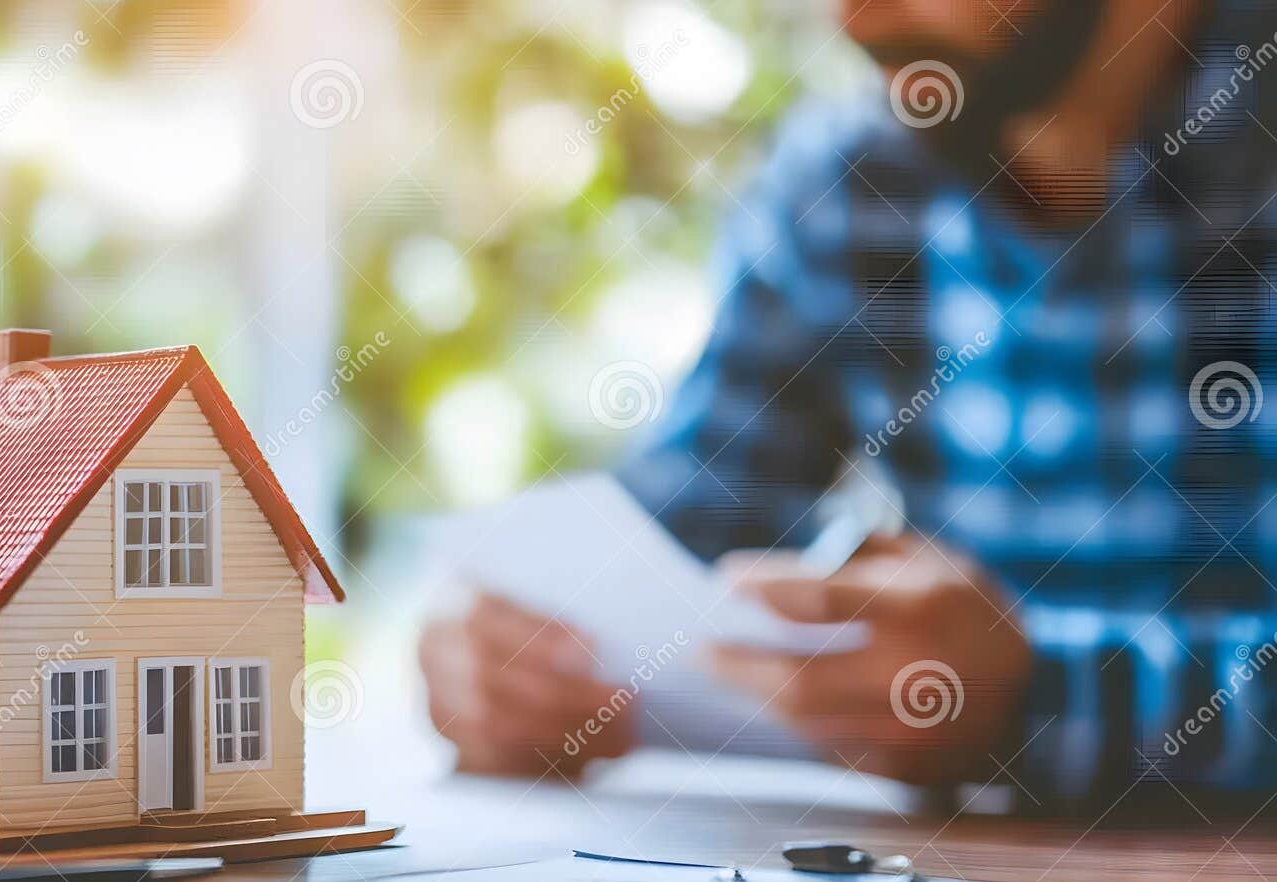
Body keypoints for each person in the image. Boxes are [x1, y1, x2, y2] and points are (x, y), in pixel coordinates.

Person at [420, 0, 1277, 808]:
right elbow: (689, 530)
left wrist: (1038, 699)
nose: (852, 17)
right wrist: (518, 658)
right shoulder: (848, 181)